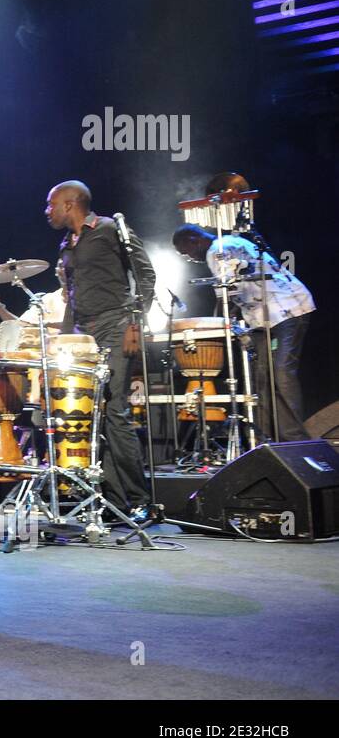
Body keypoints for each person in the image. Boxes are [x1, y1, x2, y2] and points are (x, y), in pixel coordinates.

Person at [46, 180, 155, 522]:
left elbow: (145, 275)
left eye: (50, 205)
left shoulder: (110, 229)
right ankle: (114, 502)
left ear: (69, 204)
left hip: (116, 325)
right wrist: (64, 339)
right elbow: (73, 299)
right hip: (84, 331)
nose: (46, 212)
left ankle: (141, 501)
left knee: (116, 411)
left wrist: (135, 325)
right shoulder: (68, 244)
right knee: (93, 416)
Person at [172, 224, 314, 441]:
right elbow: (244, 287)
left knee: (281, 374)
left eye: (187, 252)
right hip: (266, 318)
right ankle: (270, 440)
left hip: (287, 311)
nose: (190, 258)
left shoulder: (217, 250)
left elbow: (226, 291)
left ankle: (295, 441)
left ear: (194, 240)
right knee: (263, 379)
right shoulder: (234, 242)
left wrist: (215, 325)